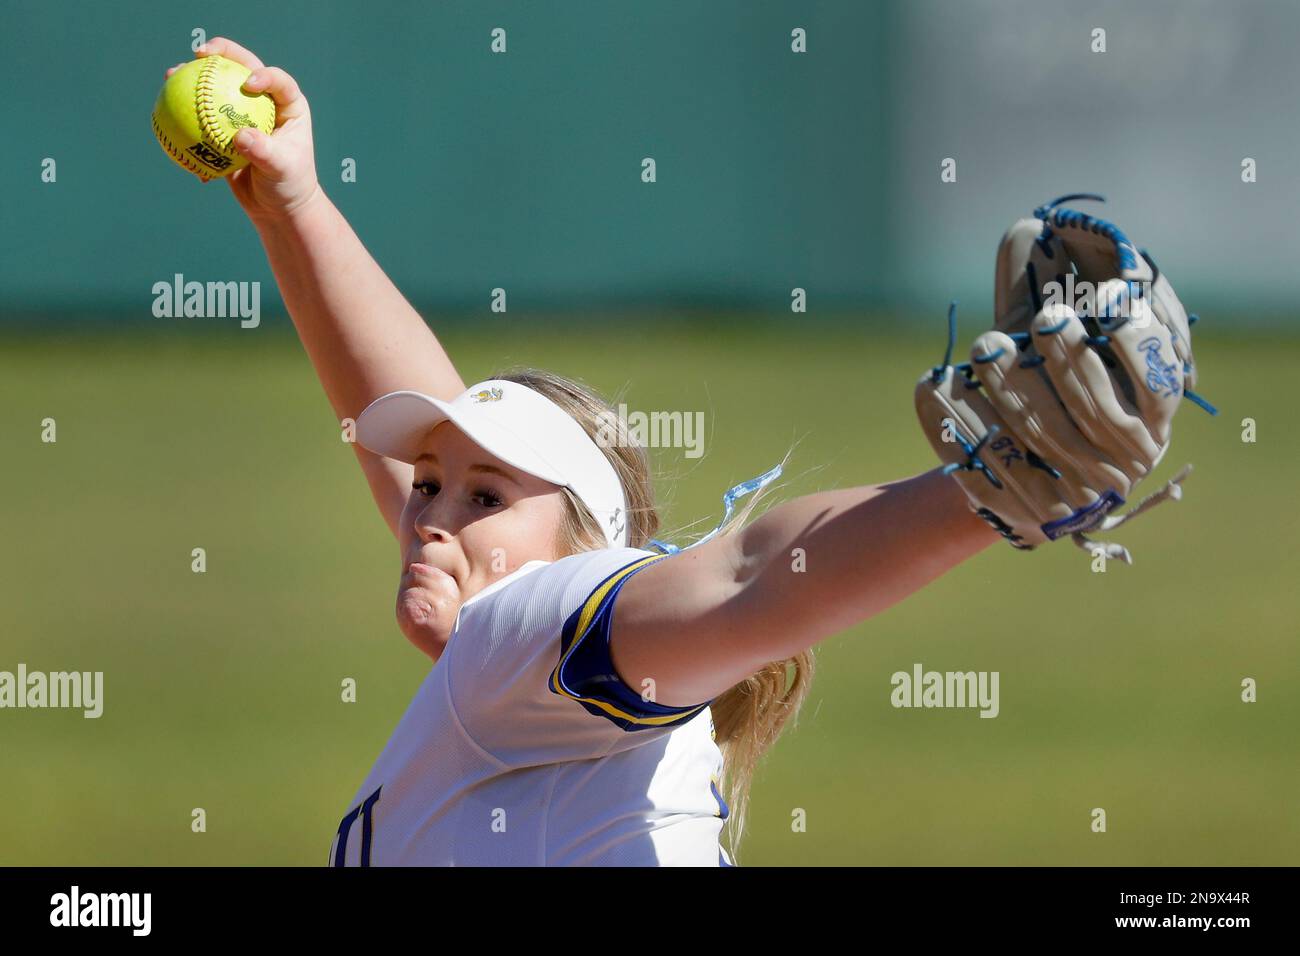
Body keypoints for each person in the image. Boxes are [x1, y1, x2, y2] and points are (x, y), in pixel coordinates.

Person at [168, 39, 1193, 866]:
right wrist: (295, 206)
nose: (429, 514)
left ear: (578, 552)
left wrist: (983, 488)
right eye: (429, 486)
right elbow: (413, 410)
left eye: (486, 496)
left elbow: (750, 572)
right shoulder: (540, 700)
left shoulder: (516, 647)